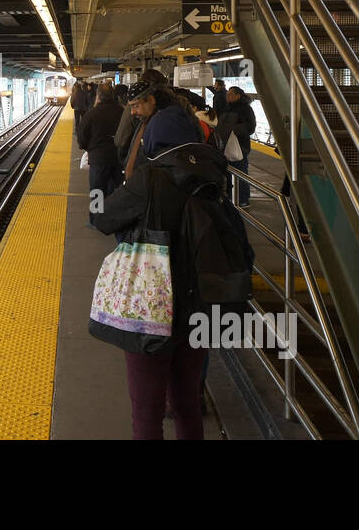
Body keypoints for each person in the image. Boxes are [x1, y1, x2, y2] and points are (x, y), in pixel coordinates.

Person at [94, 113, 220, 440]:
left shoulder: (149, 179)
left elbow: (103, 218)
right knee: (188, 405)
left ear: (153, 141)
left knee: (147, 414)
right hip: (200, 309)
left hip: (150, 311)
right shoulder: (214, 176)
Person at [78, 83, 124, 224]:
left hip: (98, 159)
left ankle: (96, 220)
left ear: (98, 96)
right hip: (117, 157)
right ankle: (115, 217)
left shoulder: (92, 113)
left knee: (97, 190)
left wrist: (89, 149)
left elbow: (82, 136)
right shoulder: (121, 111)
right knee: (117, 189)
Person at [115, 69, 166, 165]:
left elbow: (120, 139)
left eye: (136, 106)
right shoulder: (177, 108)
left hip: (143, 167)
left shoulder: (151, 117)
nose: (133, 112)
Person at [217, 86, 256, 207]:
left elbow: (250, 127)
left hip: (240, 146)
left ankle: (243, 198)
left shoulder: (246, 109)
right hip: (226, 145)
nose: (227, 97)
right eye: (227, 94)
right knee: (228, 172)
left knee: (240, 171)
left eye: (230, 95)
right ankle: (230, 196)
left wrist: (232, 130)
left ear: (238, 95)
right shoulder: (227, 108)